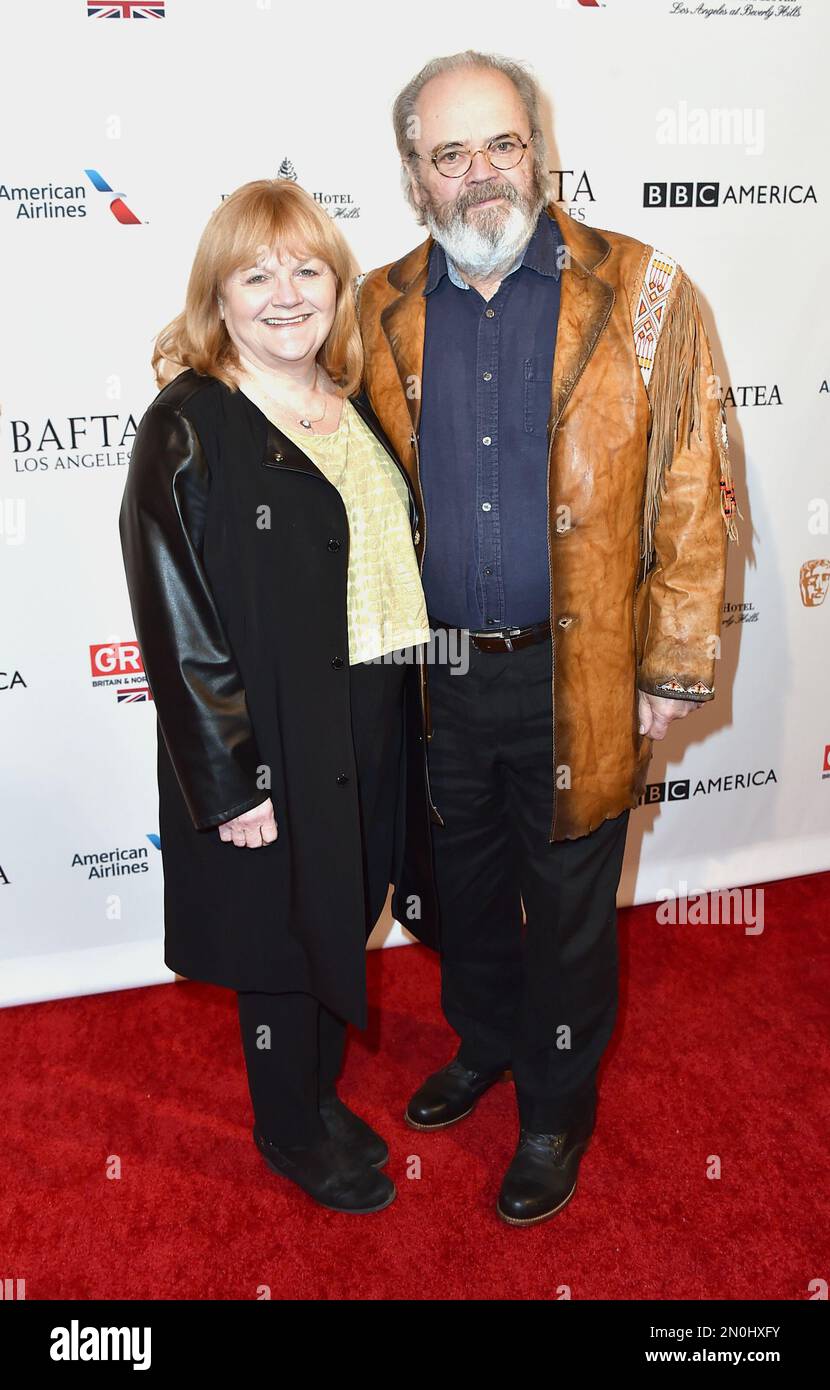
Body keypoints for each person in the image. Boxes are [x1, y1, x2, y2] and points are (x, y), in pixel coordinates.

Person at [357, 51, 741, 1226]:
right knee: (460, 892)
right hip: (437, 679)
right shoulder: (371, 310)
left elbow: (691, 482)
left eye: (501, 145)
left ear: (540, 147)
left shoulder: (645, 292)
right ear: (414, 174)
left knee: (569, 911)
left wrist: (671, 662)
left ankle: (554, 1108)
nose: (480, 176)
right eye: (449, 154)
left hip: (580, 673)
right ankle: (483, 1043)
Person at [118, 178, 436, 1215]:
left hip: (374, 705)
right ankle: (287, 1126)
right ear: (218, 295)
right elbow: (175, 619)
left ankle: (312, 1090)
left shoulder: (349, 404)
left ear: (336, 286)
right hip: (274, 732)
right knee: (280, 932)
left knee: (339, 912)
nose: (285, 293)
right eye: (255, 274)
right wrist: (231, 777)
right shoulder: (190, 421)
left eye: (306, 269)